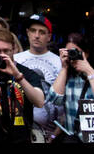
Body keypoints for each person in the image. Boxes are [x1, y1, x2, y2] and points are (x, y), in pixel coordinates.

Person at [0, 28, 45, 144]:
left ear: (14, 48)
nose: (2, 55)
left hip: (22, 137)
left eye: (6, 51)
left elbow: (39, 102)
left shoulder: (26, 73)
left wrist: (18, 76)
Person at [45, 32, 94, 141]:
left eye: (75, 51)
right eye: (69, 52)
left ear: (86, 53)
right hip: (73, 139)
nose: (72, 56)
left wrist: (88, 70)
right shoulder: (67, 78)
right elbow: (54, 100)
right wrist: (64, 67)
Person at [13, 14, 61, 142]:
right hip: (20, 129)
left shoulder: (59, 62)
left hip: (52, 132)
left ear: (49, 36)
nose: (37, 35)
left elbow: (65, 101)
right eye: (33, 31)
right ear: (27, 33)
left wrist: (54, 135)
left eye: (42, 32)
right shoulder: (15, 60)